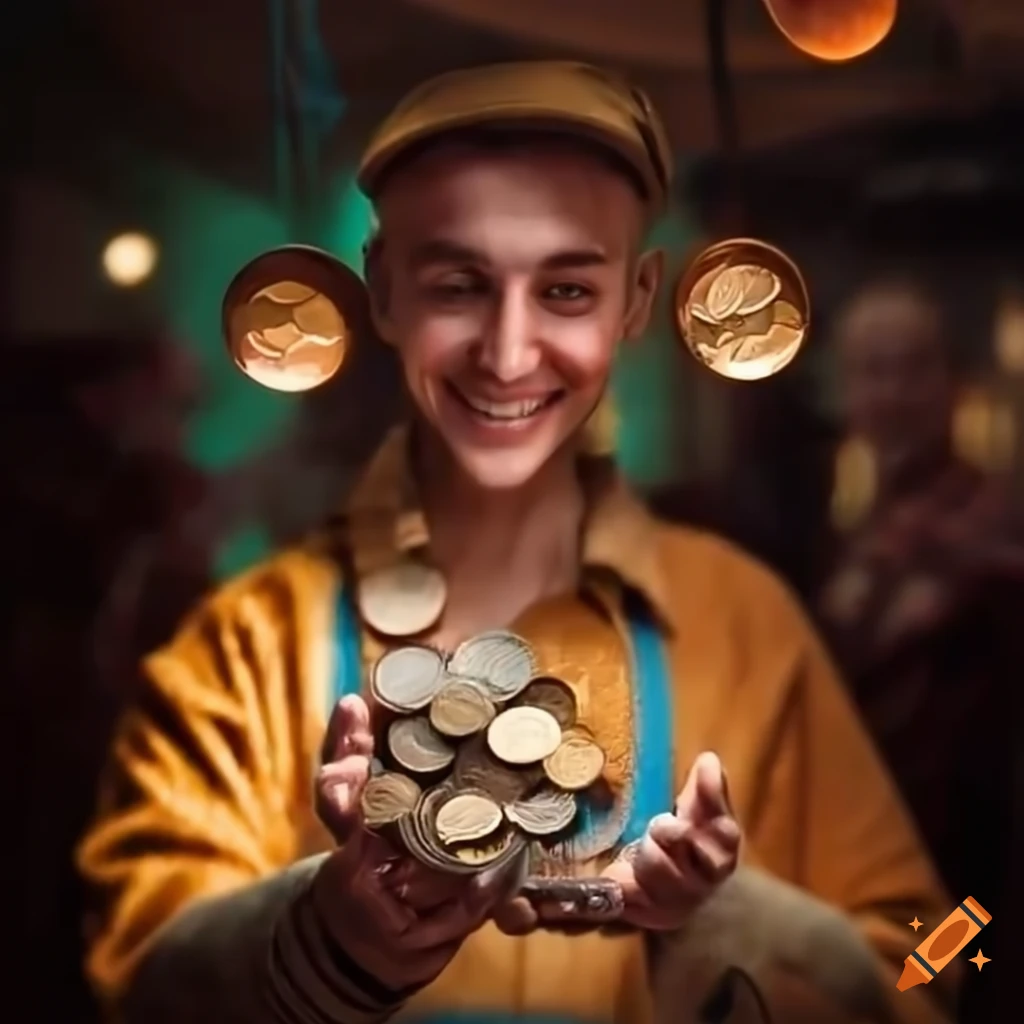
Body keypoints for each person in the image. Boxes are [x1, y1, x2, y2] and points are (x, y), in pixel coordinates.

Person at [78, 63, 955, 1024]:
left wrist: (735, 924)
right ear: (381, 292)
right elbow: (122, 985)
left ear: (636, 298)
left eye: (568, 291)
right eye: (458, 284)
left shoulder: (747, 622)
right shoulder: (244, 647)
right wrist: (324, 938)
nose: (507, 353)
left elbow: (957, 956)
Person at [819, 277, 1023, 1023]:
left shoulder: (994, 539)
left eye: (911, 368)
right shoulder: (855, 536)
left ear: (952, 383)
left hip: (966, 883)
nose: (892, 393)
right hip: (860, 870)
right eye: (871, 372)